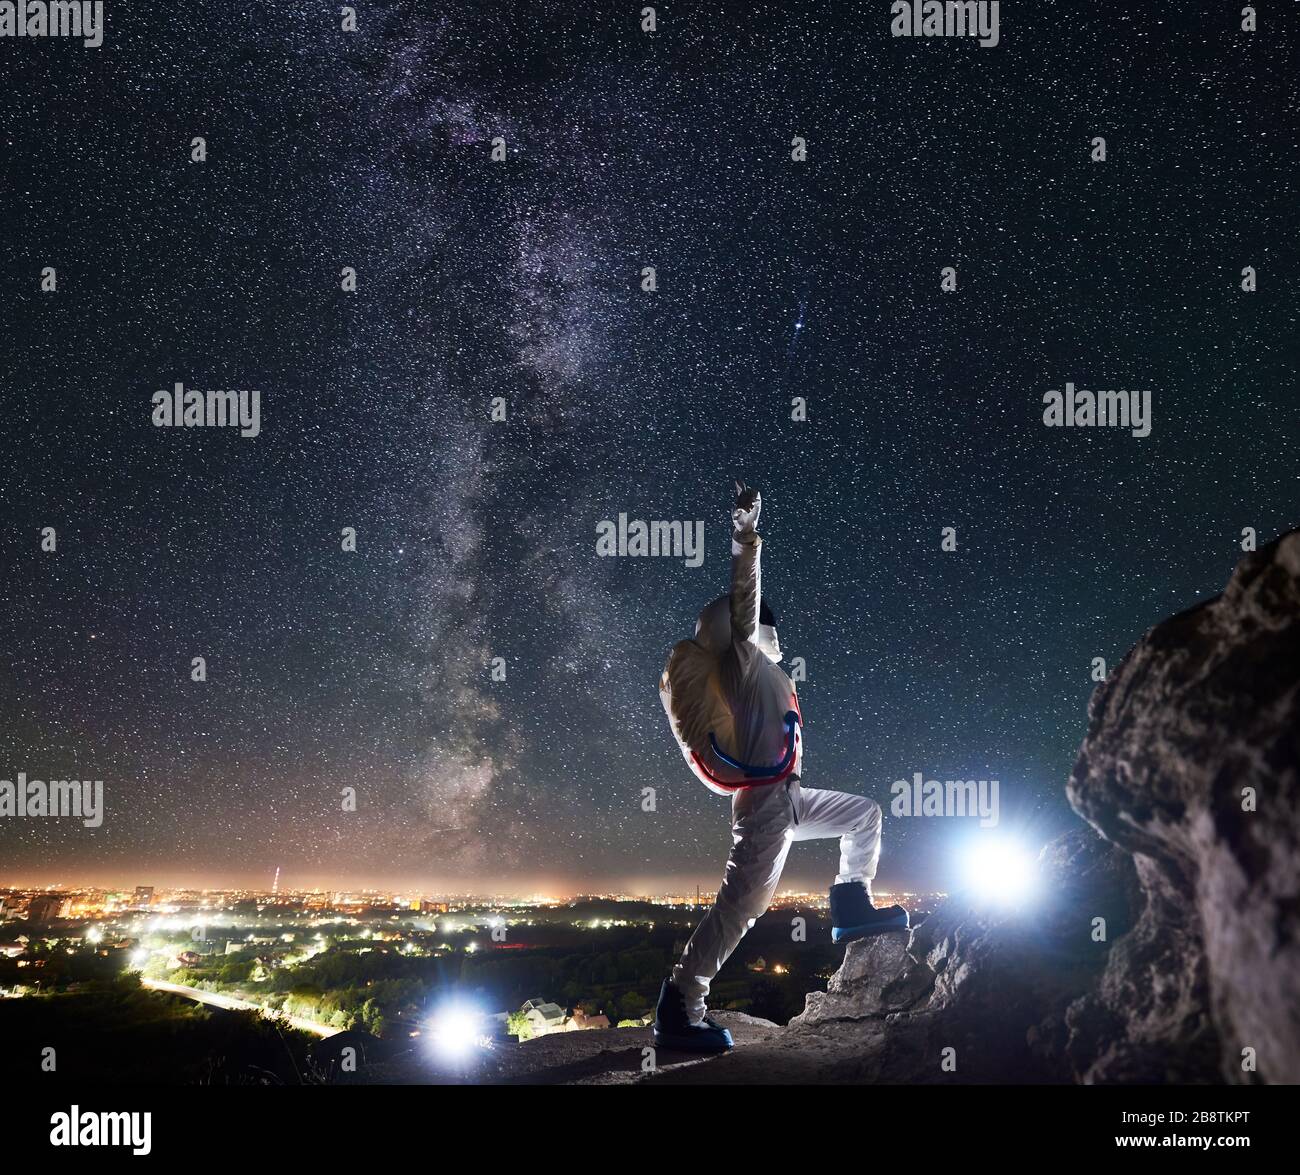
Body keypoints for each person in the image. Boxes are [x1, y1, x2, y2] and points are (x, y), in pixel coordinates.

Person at [652, 481, 908, 1052]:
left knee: (864, 815)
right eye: (767, 624)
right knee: (741, 908)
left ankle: (850, 903)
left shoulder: (770, 676)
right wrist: (746, 537)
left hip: (787, 795)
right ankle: (680, 1005)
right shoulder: (743, 668)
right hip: (766, 805)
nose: (773, 630)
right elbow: (746, 605)